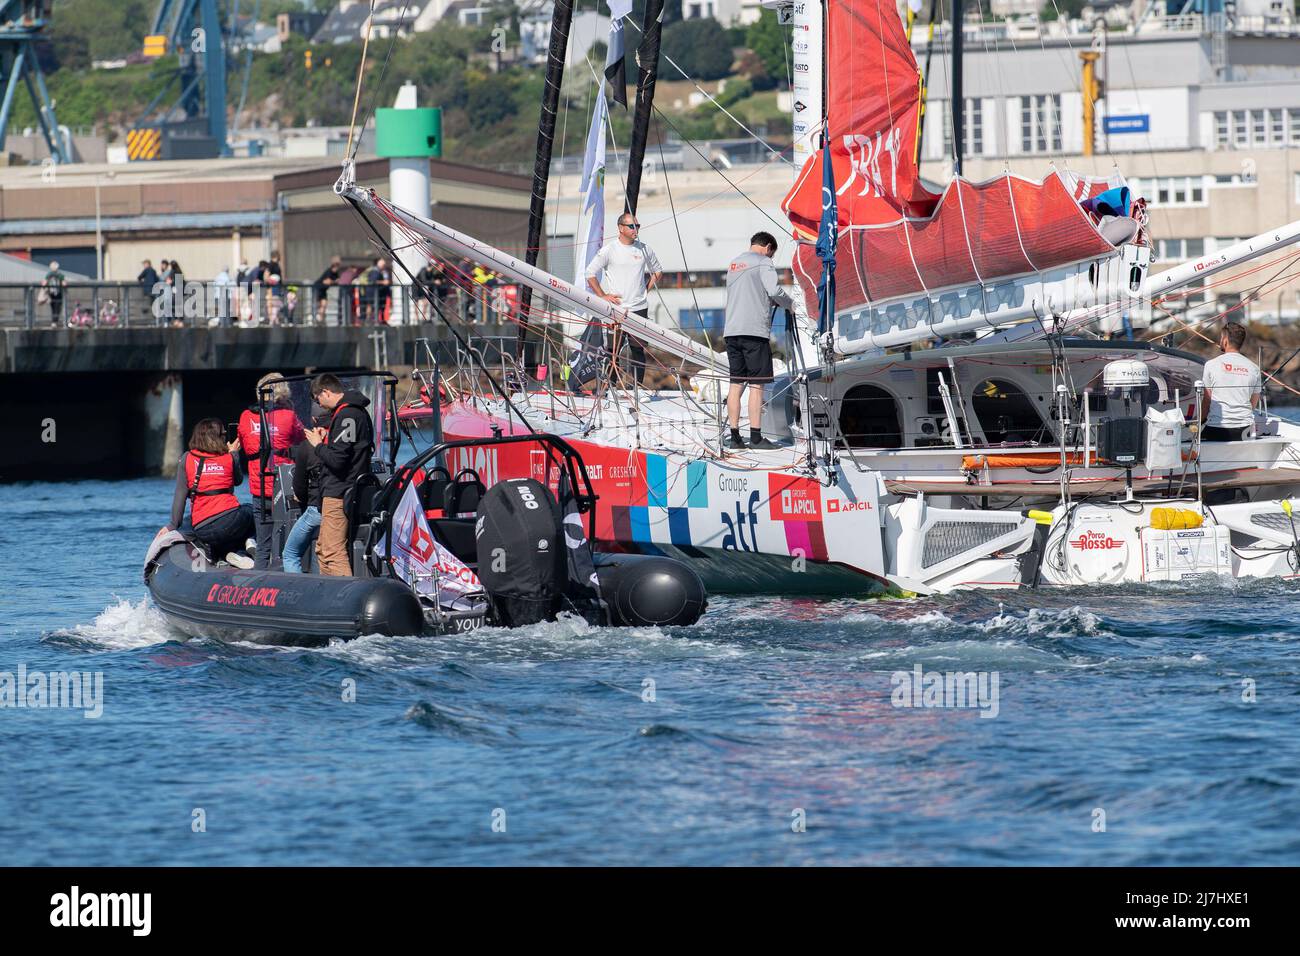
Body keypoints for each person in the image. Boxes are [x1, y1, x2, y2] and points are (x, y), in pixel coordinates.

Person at [723, 231, 792, 450]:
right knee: (756, 385)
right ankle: (755, 437)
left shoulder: (734, 263)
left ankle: (734, 436)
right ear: (769, 247)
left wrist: (766, 301)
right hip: (754, 332)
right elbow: (773, 289)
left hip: (732, 331)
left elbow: (748, 293)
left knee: (736, 383)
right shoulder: (764, 262)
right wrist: (790, 304)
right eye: (772, 254)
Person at [163, 418, 255, 569]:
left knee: (205, 527)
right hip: (231, 520)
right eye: (223, 434)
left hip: (202, 528)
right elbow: (238, 481)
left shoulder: (187, 458)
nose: (225, 436)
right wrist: (235, 454)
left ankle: (223, 555)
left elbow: (179, 497)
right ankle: (246, 546)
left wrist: (173, 525)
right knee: (252, 510)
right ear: (218, 437)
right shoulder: (229, 458)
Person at [306, 374, 374, 576]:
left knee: (332, 551)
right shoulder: (358, 412)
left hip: (339, 491)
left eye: (317, 398)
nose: (319, 404)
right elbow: (348, 449)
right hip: (348, 488)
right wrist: (330, 442)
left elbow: (338, 460)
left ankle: (345, 597)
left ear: (325, 392)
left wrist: (318, 445)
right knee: (323, 550)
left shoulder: (346, 415)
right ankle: (330, 598)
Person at [585, 212, 663, 386]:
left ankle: (637, 388)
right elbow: (589, 273)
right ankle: (612, 388)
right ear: (621, 228)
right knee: (613, 351)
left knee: (638, 349)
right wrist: (602, 295)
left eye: (638, 226)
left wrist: (645, 290)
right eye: (632, 226)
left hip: (639, 308)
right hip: (616, 308)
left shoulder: (644, 248)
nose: (636, 229)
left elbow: (657, 272)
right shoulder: (609, 250)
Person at [237, 372, 306, 569]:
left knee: (263, 544)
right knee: (288, 541)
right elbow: (301, 439)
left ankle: (259, 578)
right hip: (283, 487)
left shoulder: (245, 416)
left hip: (258, 487)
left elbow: (244, 443)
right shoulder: (289, 416)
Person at [282, 404, 330, 573]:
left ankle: (298, 595)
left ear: (314, 420)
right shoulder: (341, 442)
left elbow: (299, 486)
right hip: (343, 508)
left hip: (316, 510)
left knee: (290, 554)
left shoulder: (306, 447)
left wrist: (301, 498)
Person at [1201, 321, 1262, 442]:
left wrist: (1197, 424)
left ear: (1225, 341)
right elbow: (1253, 405)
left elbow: (1207, 402)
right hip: (1246, 430)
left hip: (1218, 429)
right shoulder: (1254, 368)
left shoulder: (1211, 365)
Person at [315, 255, 343, 324]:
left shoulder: (336, 273)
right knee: (321, 305)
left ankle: (320, 319)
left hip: (324, 290)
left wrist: (334, 281)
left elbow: (338, 281)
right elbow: (327, 281)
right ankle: (318, 318)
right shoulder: (329, 271)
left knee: (324, 305)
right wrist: (333, 281)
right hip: (319, 288)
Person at [41, 261, 67, 327]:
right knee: (57, 307)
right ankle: (54, 321)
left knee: (54, 307)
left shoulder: (49, 274)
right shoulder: (60, 275)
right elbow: (64, 283)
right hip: (58, 293)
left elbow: (44, 283)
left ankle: (54, 321)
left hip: (52, 293)